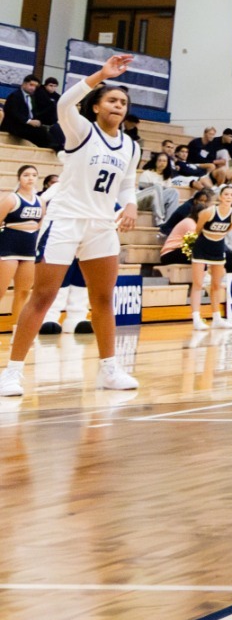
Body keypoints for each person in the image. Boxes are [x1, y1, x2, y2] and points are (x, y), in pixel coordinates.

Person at [0, 58, 141, 396]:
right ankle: (12, 372)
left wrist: (132, 203)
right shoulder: (81, 130)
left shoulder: (132, 146)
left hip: (101, 225)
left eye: (122, 102)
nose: (118, 106)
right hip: (66, 220)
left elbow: (126, 183)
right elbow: (64, 103)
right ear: (95, 106)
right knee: (44, 296)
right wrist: (101, 76)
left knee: (103, 298)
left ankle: (109, 369)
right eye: (111, 100)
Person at [187, 184, 232, 330]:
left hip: (218, 249)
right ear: (220, 197)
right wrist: (192, 247)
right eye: (226, 194)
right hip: (202, 247)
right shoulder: (208, 212)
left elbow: (226, 230)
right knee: (198, 284)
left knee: (216, 285)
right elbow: (197, 230)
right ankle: (196, 319)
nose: (229, 197)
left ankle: (217, 318)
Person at [0, 164, 45, 320]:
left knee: (23, 292)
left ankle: (17, 331)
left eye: (34, 175)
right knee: (1, 290)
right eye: (26, 175)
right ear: (19, 178)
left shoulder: (41, 201)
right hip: (8, 248)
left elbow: (41, 224)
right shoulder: (12, 198)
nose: (30, 178)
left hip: (29, 249)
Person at [2, 79, 51, 148]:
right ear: (24, 84)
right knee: (40, 132)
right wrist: (29, 121)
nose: (33, 88)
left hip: (24, 124)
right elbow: (14, 113)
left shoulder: (31, 97)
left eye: (35, 86)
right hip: (13, 125)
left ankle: (52, 147)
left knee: (45, 130)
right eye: (31, 85)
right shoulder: (15, 96)